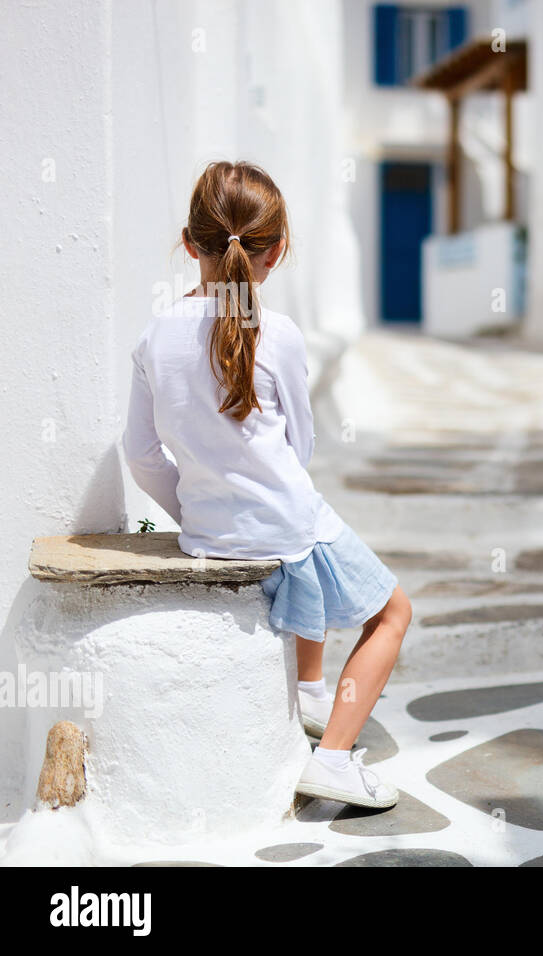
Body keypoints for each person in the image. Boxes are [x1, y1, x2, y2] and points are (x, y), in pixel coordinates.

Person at [123, 161, 409, 809]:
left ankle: (310, 691)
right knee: (393, 612)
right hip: (282, 528)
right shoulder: (277, 334)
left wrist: (195, 506)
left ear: (189, 244)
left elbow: (139, 455)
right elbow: (299, 449)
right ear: (276, 252)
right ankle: (334, 758)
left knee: (307, 527)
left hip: (207, 533)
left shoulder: (152, 337)